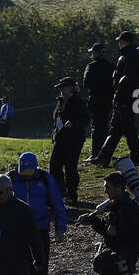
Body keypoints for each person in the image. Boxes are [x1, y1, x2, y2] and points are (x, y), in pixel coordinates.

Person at [7, 152, 67, 275]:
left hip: (39, 229)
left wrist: (60, 228)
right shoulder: (9, 178)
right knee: (16, 269)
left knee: (39, 268)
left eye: (29, 173)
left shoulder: (45, 179)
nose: (26, 177)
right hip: (15, 232)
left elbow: (57, 203)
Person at [94, 32, 139, 166]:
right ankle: (104, 155)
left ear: (125, 42)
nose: (119, 43)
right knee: (118, 127)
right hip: (133, 95)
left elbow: (126, 78)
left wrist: (117, 95)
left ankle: (134, 155)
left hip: (125, 97)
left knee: (127, 127)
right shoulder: (134, 55)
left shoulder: (128, 56)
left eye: (121, 41)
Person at [50, 76, 90, 204]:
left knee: (70, 167)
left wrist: (73, 123)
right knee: (54, 165)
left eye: (64, 87)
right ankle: (60, 191)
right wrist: (54, 135)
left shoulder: (79, 102)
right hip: (60, 139)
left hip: (74, 139)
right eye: (60, 88)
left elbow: (86, 119)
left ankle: (72, 194)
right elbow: (56, 120)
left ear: (72, 88)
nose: (61, 90)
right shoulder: (59, 101)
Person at [83, 43, 115, 160]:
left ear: (96, 53)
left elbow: (86, 83)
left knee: (96, 127)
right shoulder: (111, 66)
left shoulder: (91, 66)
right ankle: (105, 151)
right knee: (105, 126)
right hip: (108, 100)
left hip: (95, 100)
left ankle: (95, 154)